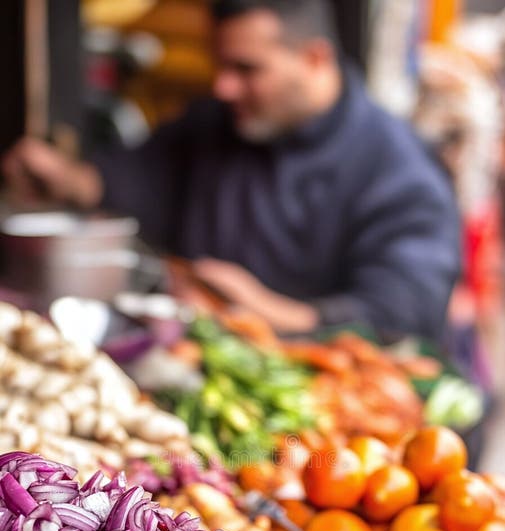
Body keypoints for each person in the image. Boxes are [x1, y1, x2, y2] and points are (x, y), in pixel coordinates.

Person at [2, 0, 461, 338]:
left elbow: (404, 311)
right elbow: (141, 177)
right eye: (220, 66)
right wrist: (68, 181)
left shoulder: (399, 170)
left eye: (247, 69)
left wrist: (269, 312)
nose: (224, 86)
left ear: (314, 58)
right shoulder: (215, 125)